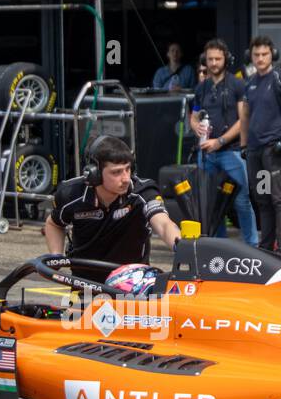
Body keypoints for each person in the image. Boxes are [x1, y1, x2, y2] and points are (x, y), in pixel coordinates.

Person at [45, 135, 181, 265]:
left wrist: (180, 246)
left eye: (128, 169)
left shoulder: (143, 192)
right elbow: (54, 224)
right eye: (117, 172)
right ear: (94, 173)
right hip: (85, 284)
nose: (126, 178)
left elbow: (163, 224)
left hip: (133, 282)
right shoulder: (70, 193)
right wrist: (56, 257)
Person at [239, 35, 281, 254]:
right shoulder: (250, 83)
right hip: (255, 151)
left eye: (264, 54)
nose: (260, 58)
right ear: (251, 56)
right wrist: (243, 145)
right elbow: (246, 116)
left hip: (275, 150)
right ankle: (266, 247)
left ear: (272, 55)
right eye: (256, 55)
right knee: (263, 199)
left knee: (279, 199)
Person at [191, 38, 258, 246]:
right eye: (210, 59)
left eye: (217, 59)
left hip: (231, 152)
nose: (213, 63)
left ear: (225, 59)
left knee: (241, 201)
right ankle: (220, 246)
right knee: (212, 204)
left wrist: (219, 141)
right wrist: (196, 127)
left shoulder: (238, 84)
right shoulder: (201, 88)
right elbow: (193, 116)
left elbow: (243, 120)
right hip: (206, 154)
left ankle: (252, 247)